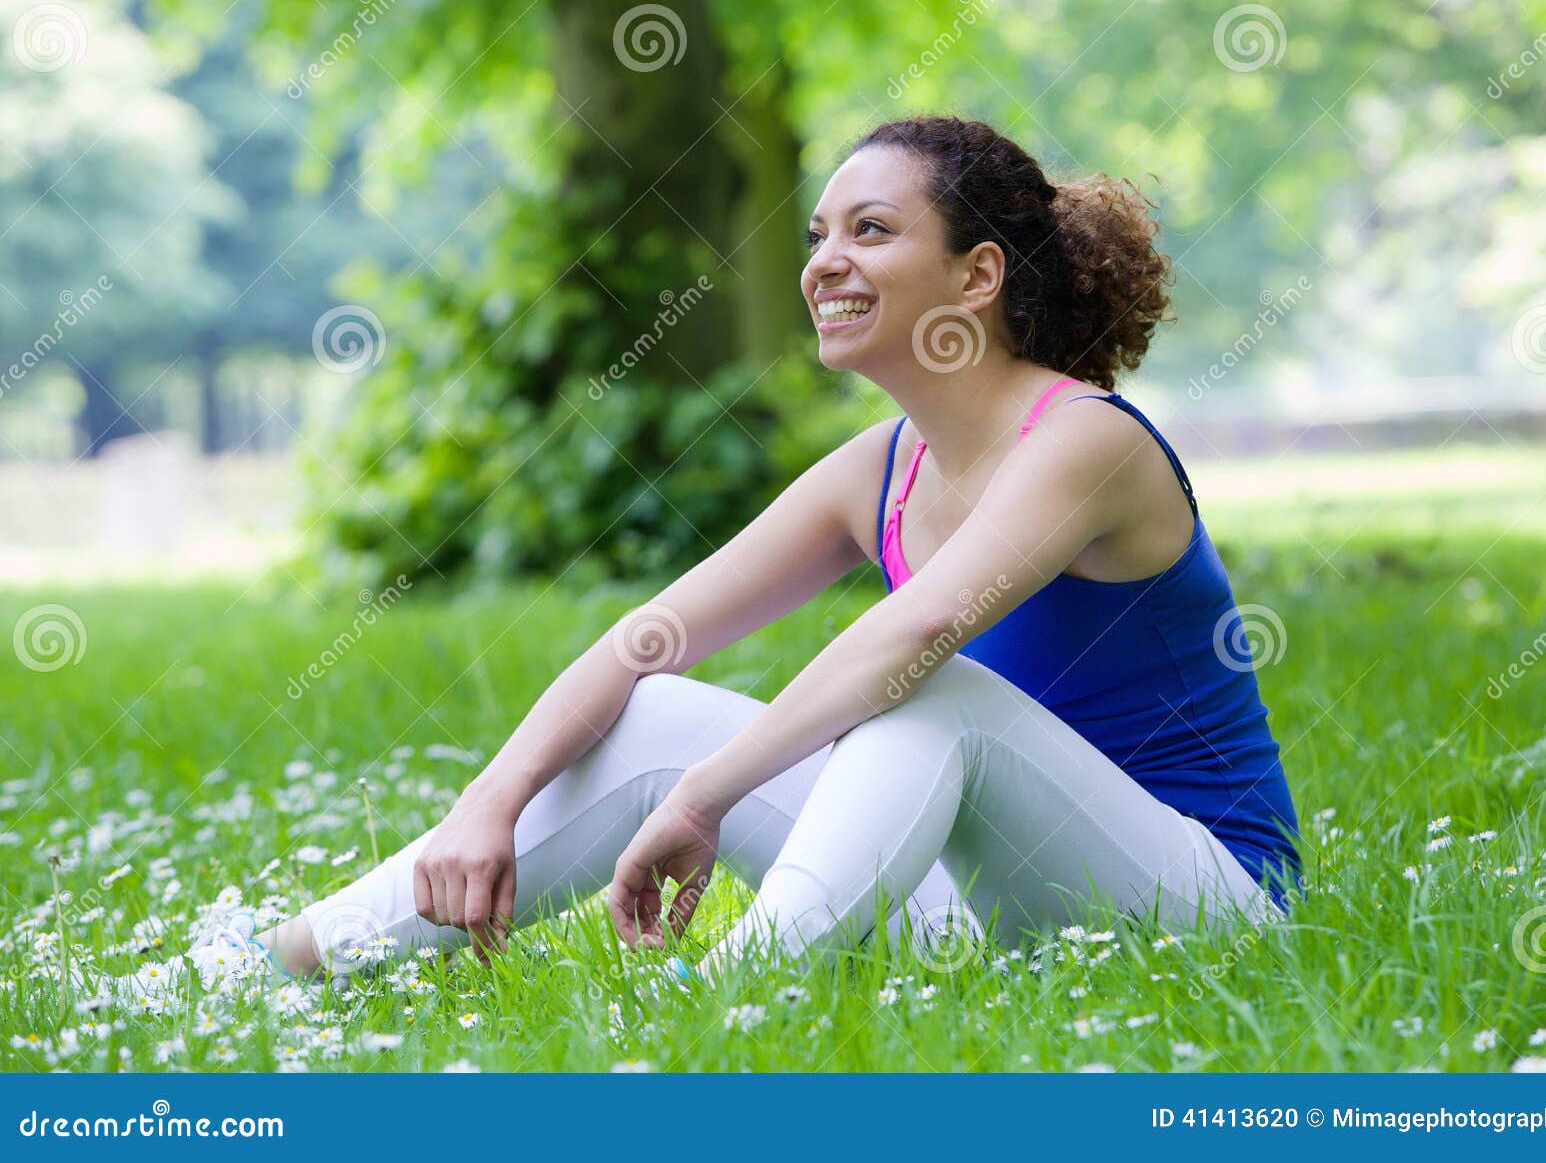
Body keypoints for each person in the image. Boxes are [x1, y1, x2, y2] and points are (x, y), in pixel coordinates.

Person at [112, 114, 1301, 998]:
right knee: (651, 710)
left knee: (934, 693)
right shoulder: (874, 470)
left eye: (871, 231)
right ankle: (259, 972)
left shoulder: (1082, 439)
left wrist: (706, 797)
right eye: (818, 233)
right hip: (988, 912)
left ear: (977, 275)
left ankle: (720, 1001)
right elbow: (643, 640)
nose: (823, 261)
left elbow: (912, 636)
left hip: (1196, 906)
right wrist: (489, 801)